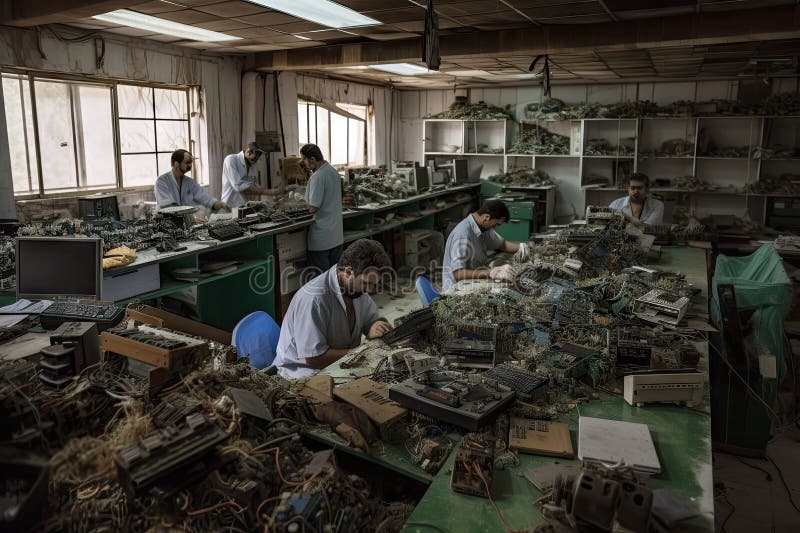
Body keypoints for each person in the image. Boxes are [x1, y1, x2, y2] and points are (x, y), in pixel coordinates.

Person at [274, 239, 393, 379]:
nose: (369, 290)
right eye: (366, 283)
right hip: (301, 373)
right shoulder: (315, 299)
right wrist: (358, 353)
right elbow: (314, 358)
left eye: (373, 284)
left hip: (339, 365)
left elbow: (371, 318)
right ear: (348, 272)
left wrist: (375, 325)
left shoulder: (356, 289)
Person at [442, 200, 527, 291]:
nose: (494, 228)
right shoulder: (462, 235)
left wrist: (522, 248)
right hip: (457, 289)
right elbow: (458, 274)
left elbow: (503, 244)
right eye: (496, 224)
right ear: (486, 217)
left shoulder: (483, 228)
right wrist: (491, 272)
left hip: (473, 281)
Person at [300, 144, 344, 276]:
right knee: (334, 278)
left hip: (322, 239)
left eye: (304, 159)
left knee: (321, 279)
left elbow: (313, 208)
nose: (303, 163)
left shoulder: (318, 177)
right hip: (336, 236)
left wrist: (300, 201)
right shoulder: (333, 172)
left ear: (312, 159)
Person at [154, 149, 228, 211]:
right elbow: (168, 207)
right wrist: (190, 219)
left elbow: (202, 196)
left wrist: (216, 203)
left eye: (191, 162)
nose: (190, 166)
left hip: (188, 221)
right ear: (176, 164)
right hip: (168, 223)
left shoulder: (190, 182)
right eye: (187, 163)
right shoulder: (161, 182)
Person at [221, 141, 281, 208]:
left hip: (244, 205)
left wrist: (268, 196)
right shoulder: (231, 160)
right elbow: (238, 187)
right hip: (230, 205)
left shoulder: (252, 164)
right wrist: (267, 192)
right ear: (249, 152)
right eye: (255, 158)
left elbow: (254, 184)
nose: (256, 161)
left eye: (257, 158)